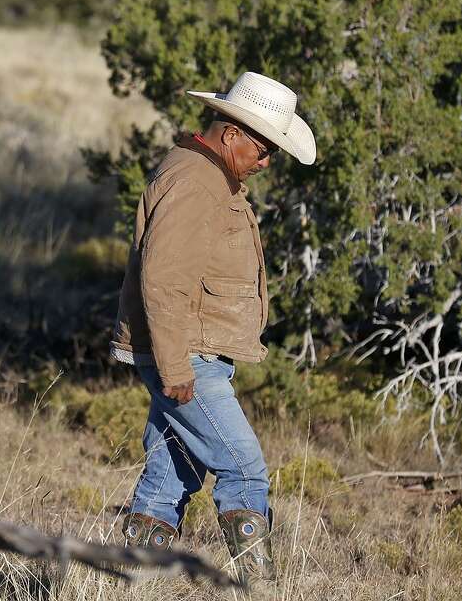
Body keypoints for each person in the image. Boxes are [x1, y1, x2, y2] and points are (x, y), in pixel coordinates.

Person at [111, 71, 316, 586]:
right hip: (187, 354)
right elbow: (163, 278)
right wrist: (176, 366)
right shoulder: (197, 182)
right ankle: (261, 590)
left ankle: (133, 586)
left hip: (187, 348)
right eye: (264, 149)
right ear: (231, 135)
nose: (267, 161)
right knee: (244, 470)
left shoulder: (206, 174)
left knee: (170, 472)